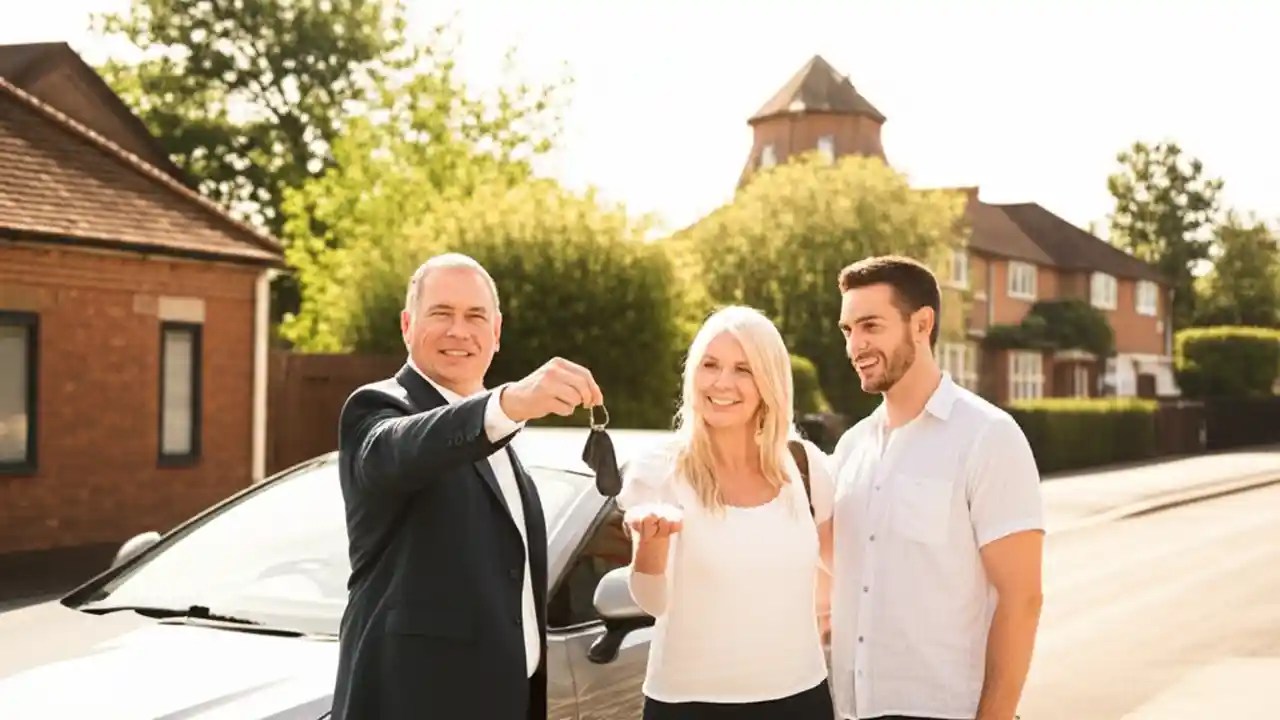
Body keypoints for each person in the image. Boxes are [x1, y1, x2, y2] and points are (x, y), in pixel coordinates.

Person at [329, 253, 603, 720]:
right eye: (441, 313)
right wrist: (509, 402)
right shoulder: (378, 411)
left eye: (475, 316)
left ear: (496, 333)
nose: (460, 330)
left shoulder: (503, 443)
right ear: (406, 325)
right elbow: (403, 449)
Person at [827, 255, 1045, 720]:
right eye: (848, 330)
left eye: (870, 326)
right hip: (851, 712)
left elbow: (1022, 598)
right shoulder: (850, 450)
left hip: (948, 712)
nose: (855, 346)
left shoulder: (987, 436)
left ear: (921, 324)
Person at [617, 305, 837, 720]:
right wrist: (651, 543)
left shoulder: (806, 467)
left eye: (743, 369)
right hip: (689, 704)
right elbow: (651, 602)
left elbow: (841, 573)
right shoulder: (659, 470)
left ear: (769, 381)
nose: (722, 382)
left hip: (800, 697)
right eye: (710, 365)